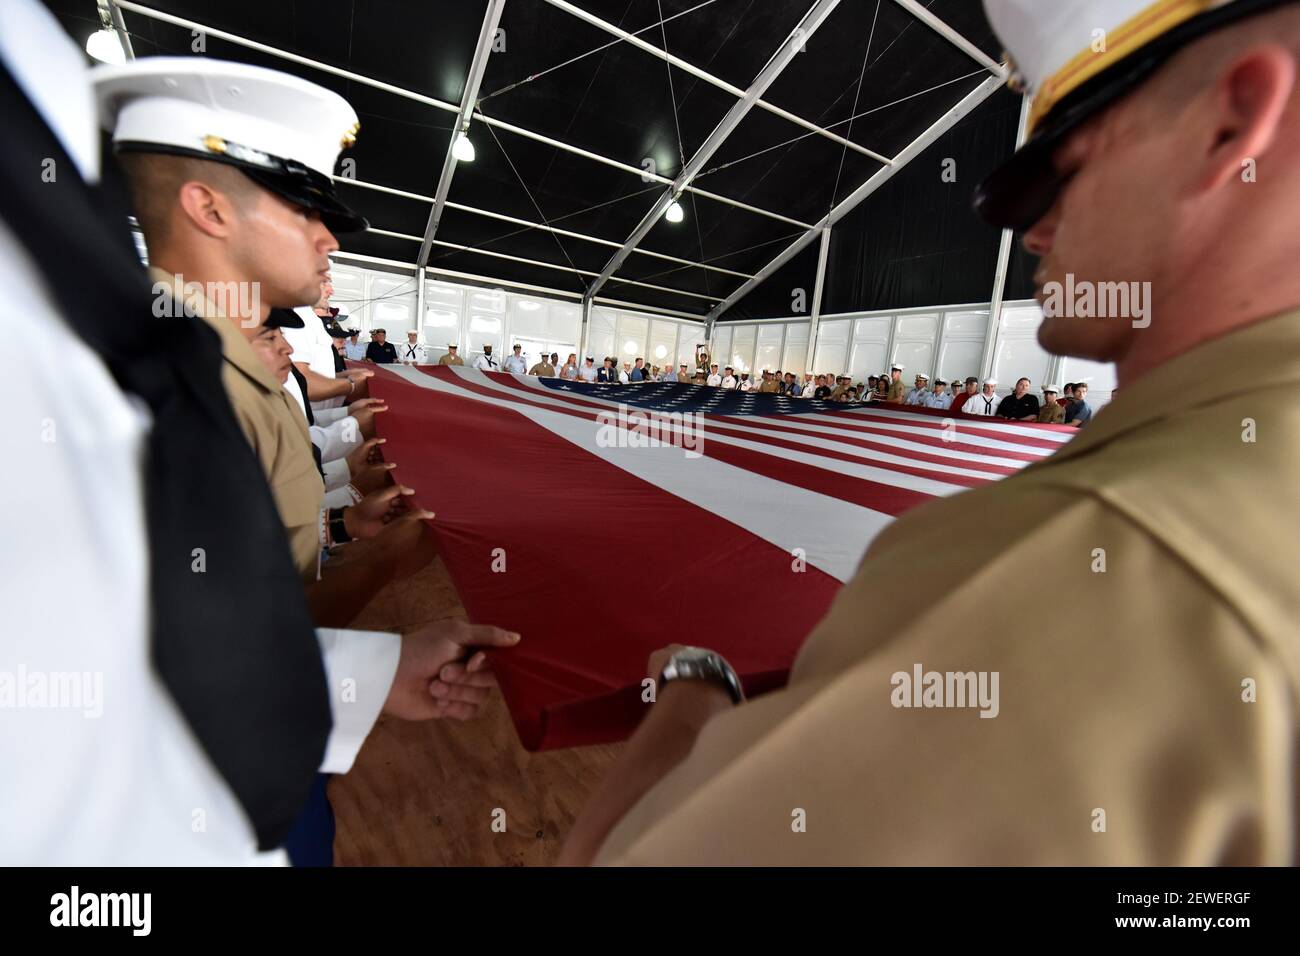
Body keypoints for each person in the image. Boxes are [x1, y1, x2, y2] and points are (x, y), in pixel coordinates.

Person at [561, 0, 1300, 866]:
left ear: (1229, 122)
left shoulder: (1065, 564)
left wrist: (693, 689)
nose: (1032, 229)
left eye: (1054, 171)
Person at [8, 33, 516, 864]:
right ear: (208, 209)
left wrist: (352, 548)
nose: (331, 238)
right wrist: (380, 571)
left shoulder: (203, 368)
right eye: (304, 206)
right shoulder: (143, 391)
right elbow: (186, 663)